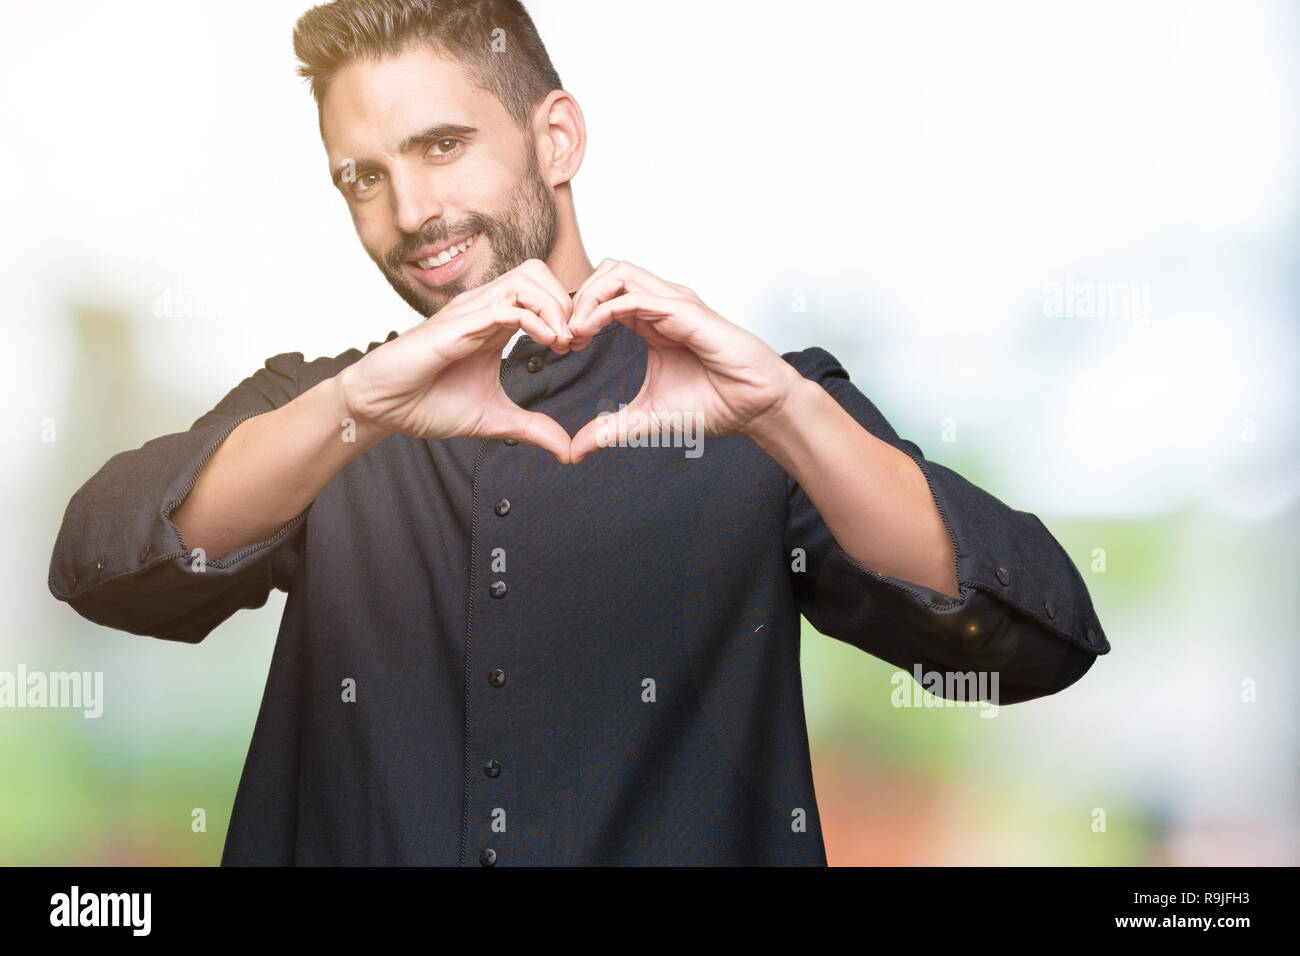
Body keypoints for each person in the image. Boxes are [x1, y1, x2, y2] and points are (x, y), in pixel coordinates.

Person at [47, 0, 1110, 866]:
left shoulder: (757, 407)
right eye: (361, 175)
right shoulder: (323, 411)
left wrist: (788, 413)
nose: (408, 207)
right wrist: (356, 408)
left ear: (555, 138)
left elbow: (1032, 638)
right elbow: (104, 559)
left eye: (442, 144)